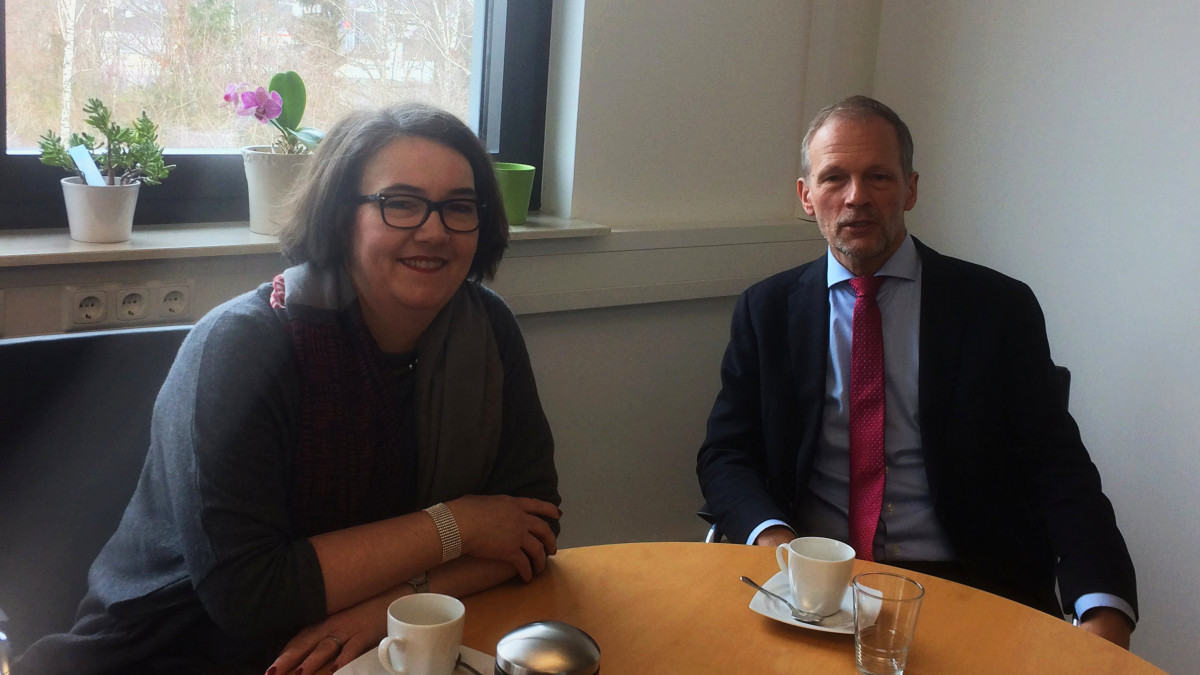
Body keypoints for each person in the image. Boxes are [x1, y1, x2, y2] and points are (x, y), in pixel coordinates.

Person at [17, 103, 561, 674]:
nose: (434, 229)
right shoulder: (239, 348)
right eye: (399, 203)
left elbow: (531, 525)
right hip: (172, 647)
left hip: (372, 645)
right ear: (340, 217)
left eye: (459, 207)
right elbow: (250, 595)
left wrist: (388, 609)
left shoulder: (487, 329)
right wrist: (461, 524)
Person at [696, 96, 1137, 648]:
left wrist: (1104, 607)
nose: (856, 197)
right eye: (834, 178)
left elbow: (1059, 468)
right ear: (807, 197)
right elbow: (726, 454)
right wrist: (775, 541)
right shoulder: (766, 310)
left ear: (910, 188)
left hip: (968, 584)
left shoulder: (998, 308)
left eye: (878, 176)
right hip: (815, 585)